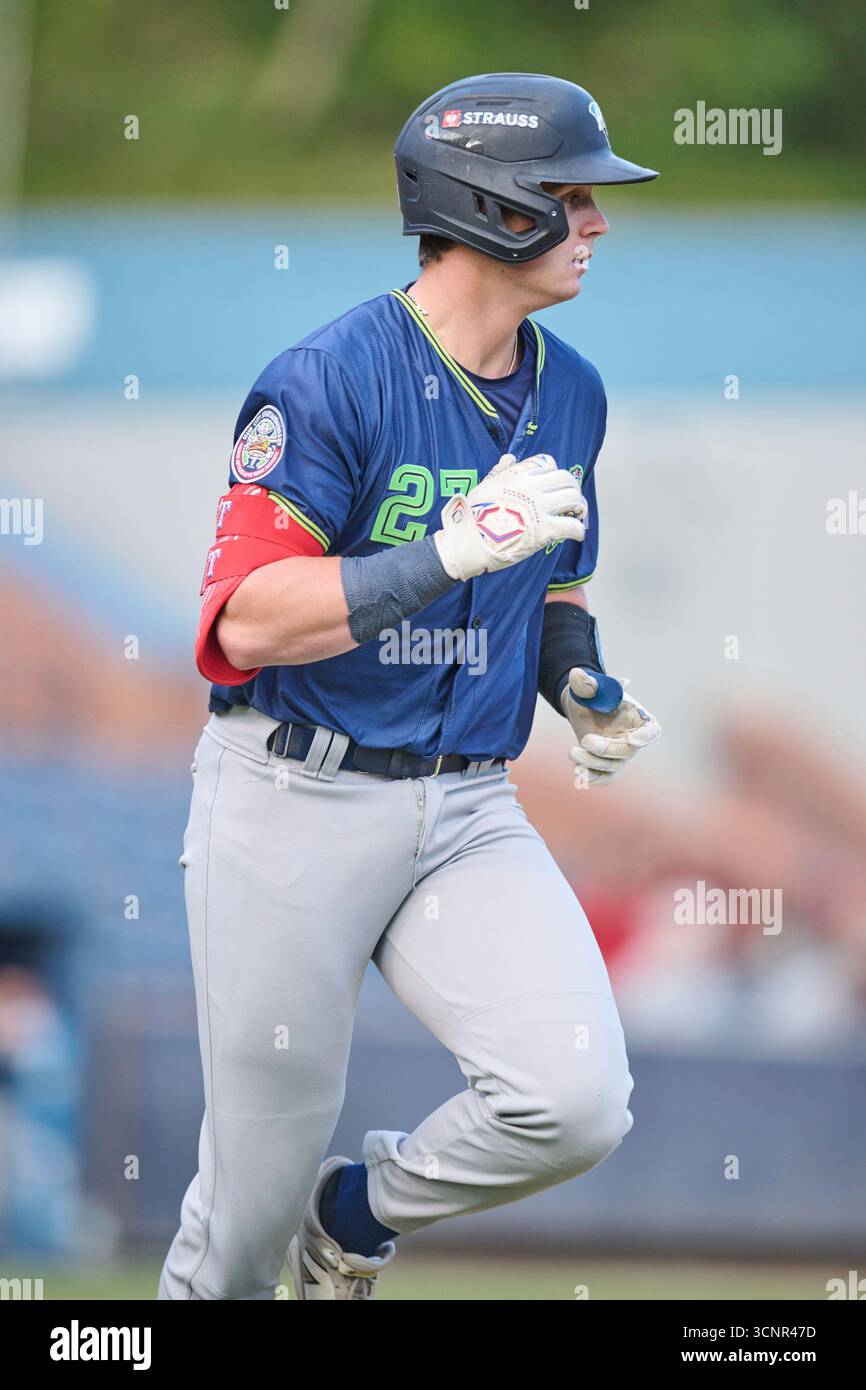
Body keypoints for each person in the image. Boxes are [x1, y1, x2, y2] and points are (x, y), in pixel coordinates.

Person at [159, 72, 661, 1302]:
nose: (596, 221)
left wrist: (581, 682)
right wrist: (442, 551)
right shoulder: (328, 374)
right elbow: (245, 617)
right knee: (241, 1219)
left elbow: (549, 585)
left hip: (466, 807)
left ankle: (356, 1210)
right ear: (489, 205)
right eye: (571, 194)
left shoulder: (572, 388)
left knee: (574, 1097)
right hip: (292, 796)